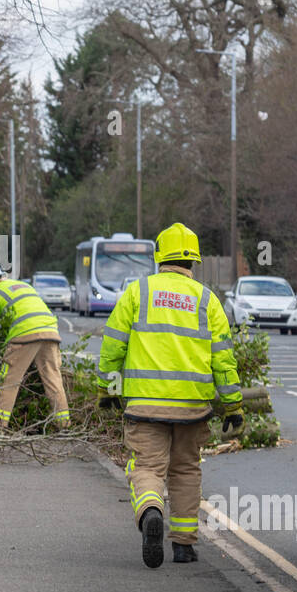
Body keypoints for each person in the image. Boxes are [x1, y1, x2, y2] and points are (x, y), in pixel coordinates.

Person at [96, 223, 243, 568]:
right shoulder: (208, 300)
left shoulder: (138, 292)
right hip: (193, 408)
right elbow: (224, 360)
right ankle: (183, 546)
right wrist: (233, 406)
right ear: (194, 259)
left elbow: (113, 344)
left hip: (145, 405)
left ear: (159, 256)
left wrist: (108, 388)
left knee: (147, 467)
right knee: (186, 471)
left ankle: (150, 512)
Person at [0, 263, 70, 430]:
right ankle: (64, 425)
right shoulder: (24, 286)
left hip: (25, 335)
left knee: (9, 379)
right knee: (53, 380)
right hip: (50, 332)